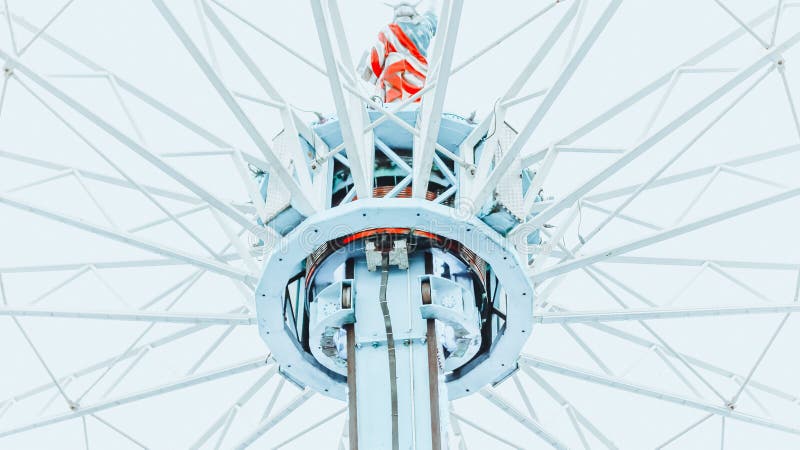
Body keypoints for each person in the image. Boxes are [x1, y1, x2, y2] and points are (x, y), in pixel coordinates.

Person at [358, 1, 439, 104]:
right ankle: (391, 100)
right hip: (417, 71)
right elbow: (431, 18)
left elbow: (378, 52)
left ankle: (391, 100)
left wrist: (366, 69)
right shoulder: (390, 30)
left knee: (393, 61)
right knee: (393, 62)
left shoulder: (389, 30)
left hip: (417, 70)